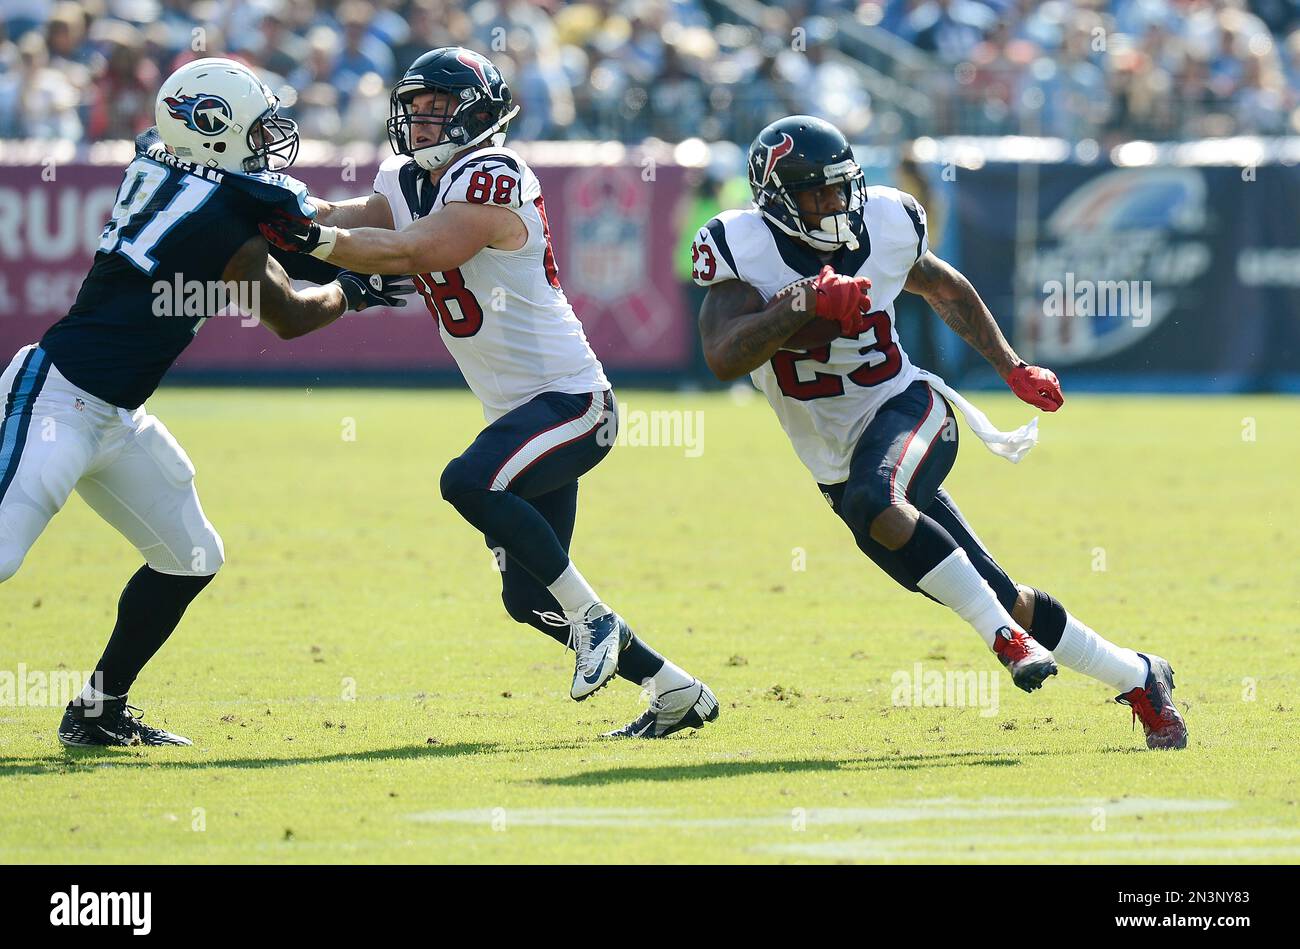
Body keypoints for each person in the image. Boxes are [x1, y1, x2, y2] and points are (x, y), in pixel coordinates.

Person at [260, 47, 717, 738]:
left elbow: (411, 251)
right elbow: (339, 216)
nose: (418, 123)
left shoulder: (493, 175)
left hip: (571, 404)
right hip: (521, 414)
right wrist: (260, 200)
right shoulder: (410, 178)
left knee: (467, 481)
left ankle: (596, 620)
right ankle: (671, 688)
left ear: (476, 113)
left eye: (436, 108)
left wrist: (312, 236)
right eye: (413, 109)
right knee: (528, 596)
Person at [692, 115, 1186, 750]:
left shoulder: (886, 224)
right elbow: (723, 357)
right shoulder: (741, 246)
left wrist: (1010, 365)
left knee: (881, 503)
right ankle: (1141, 675)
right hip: (834, 460)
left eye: (842, 188)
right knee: (1002, 594)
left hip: (908, 407)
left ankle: (1004, 644)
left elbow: (943, 286)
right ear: (778, 198)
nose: (836, 204)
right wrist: (803, 304)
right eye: (818, 192)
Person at [0, 57, 411, 746]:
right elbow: (286, 312)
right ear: (215, 131)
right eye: (254, 131)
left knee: (189, 555)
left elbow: (283, 243)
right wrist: (357, 287)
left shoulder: (169, 162)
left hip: (112, 414)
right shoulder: (227, 213)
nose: (267, 146)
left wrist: (348, 272)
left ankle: (98, 712)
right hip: (56, 398)